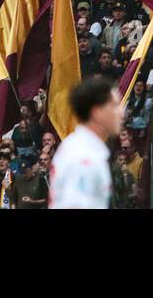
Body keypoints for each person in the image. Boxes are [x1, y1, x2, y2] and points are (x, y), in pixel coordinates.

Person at [49, 77, 124, 209]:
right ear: (97, 112)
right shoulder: (83, 157)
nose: (122, 112)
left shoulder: (79, 147)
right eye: (114, 105)